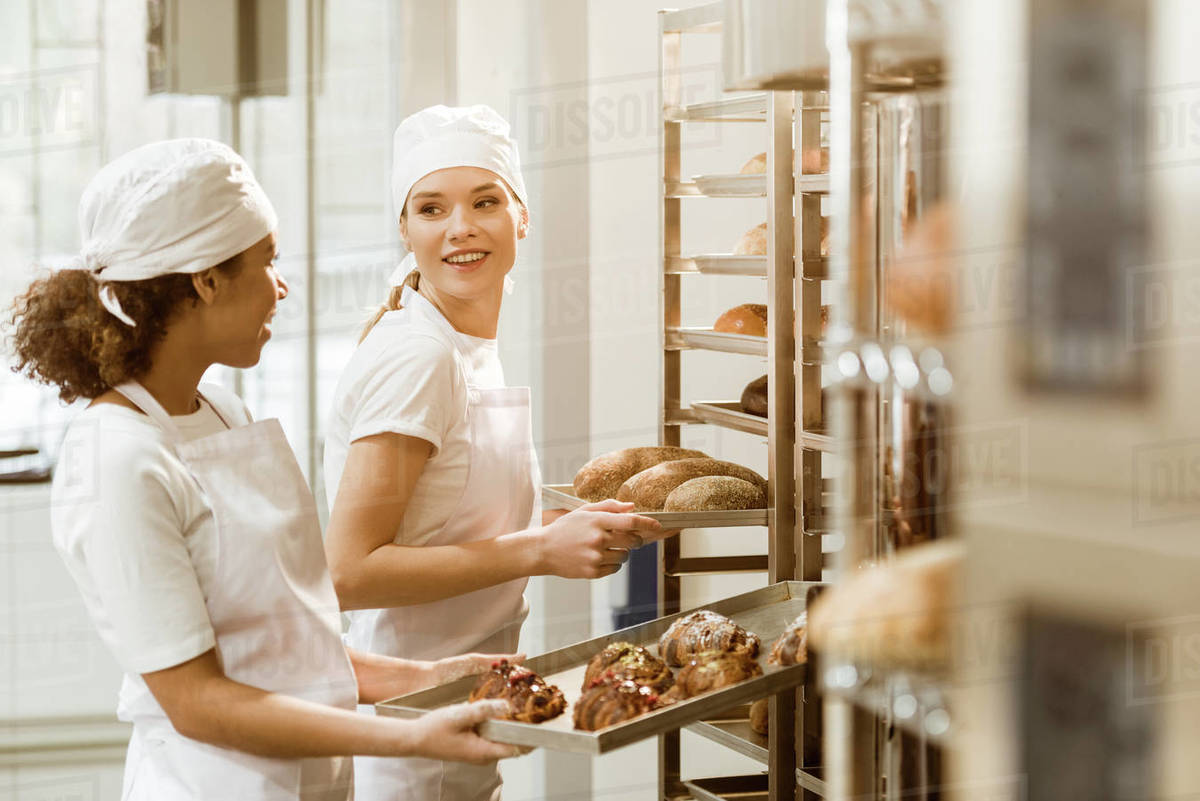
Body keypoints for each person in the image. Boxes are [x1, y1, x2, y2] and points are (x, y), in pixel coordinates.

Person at [8, 138, 523, 801]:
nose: (282, 285)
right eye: (268, 260)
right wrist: (409, 736)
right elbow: (197, 700)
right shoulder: (114, 458)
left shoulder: (220, 409)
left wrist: (430, 675)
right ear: (206, 279)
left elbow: (288, 640)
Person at [322, 104, 672, 801]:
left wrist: (570, 527)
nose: (461, 228)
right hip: (408, 741)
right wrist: (542, 549)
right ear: (404, 228)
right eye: (431, 208)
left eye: (485, 201)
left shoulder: (460, 344)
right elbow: (349, 570)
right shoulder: (420, 356)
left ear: (522, 217)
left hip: (464, 714)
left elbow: (446, 514)